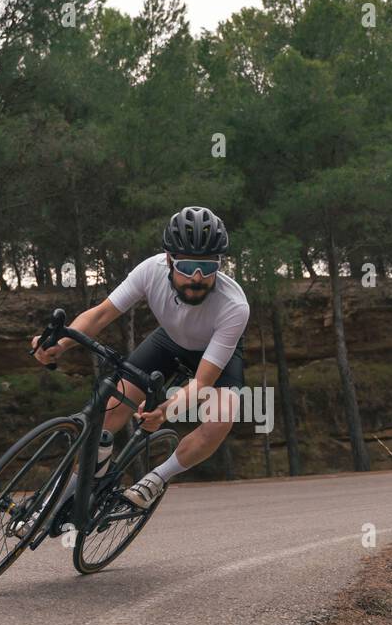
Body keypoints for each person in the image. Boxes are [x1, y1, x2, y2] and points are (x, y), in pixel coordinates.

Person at [30, 206, 249, 507]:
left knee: (220, 420)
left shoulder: (234, 306)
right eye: (186, 267)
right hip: (168, 342)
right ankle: (70, 492)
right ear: (169, 260)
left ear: (219, 265)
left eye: (207, 267)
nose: (197, 278)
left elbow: (202, 382)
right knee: (111, 408)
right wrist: (62, 342)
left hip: (213, 354)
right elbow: (102, 314)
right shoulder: (150, 271)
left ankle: (157, 478)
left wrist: (166, 411)